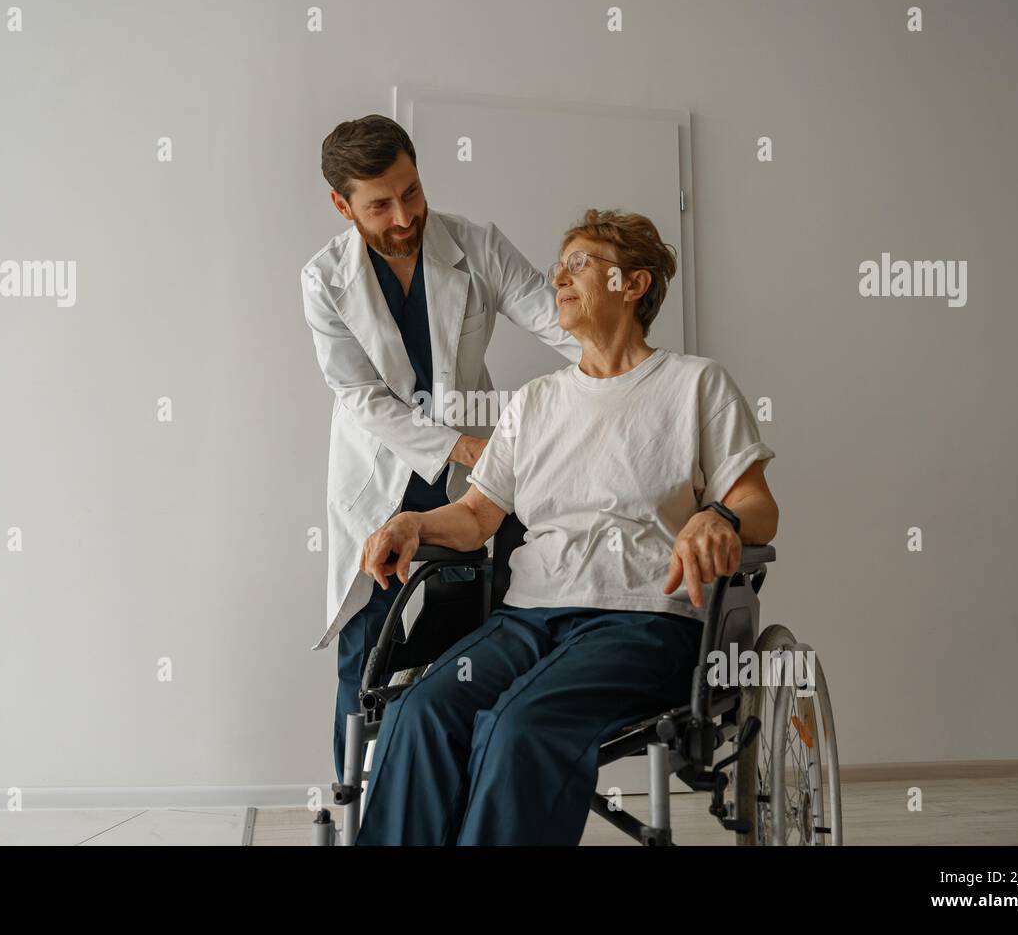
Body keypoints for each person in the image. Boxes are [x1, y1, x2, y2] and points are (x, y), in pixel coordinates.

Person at [353, 209, 779, 845]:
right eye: (559, 265)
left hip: (643, 622)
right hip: (528, 619)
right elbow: (476, 517)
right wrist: (414, 521)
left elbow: (758, 506)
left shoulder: (696, 385)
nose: (559, 277)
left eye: (579, 263)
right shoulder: (535, 402)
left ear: (632, 284)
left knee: (519, 725)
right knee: (422, 711)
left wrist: (717, 516)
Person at [300, 115, 581, 785]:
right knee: (366, 646)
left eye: (412, 191)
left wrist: (625, 375)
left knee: (466, 634)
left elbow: (556, 320)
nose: (404, 216)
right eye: (380, 204)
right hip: (382, 478)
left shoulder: (475, 246)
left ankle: (448, 788)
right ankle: (356, 801)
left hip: (466, 487)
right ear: (343, 205)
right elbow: (361, 397)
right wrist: (464, 445)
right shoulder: (323, 280)